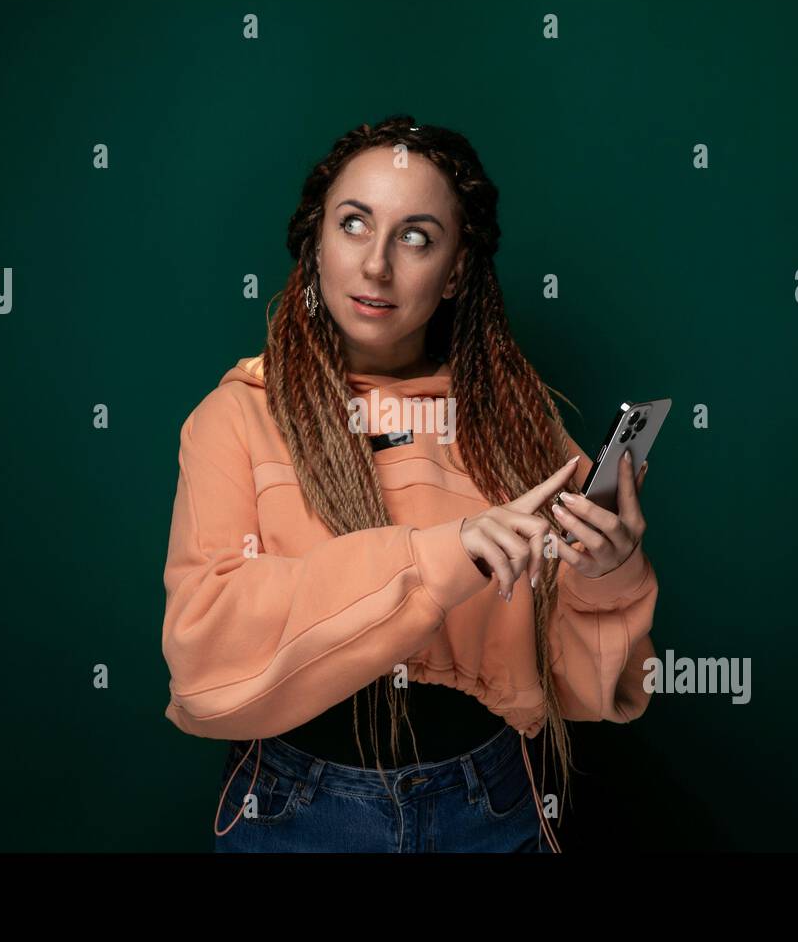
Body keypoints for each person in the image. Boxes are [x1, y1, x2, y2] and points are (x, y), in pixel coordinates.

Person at [160, 115, 658, 852]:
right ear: (316, 241)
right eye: (354, 224)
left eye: (417, 237)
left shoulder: (516, 426)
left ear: (456, 269)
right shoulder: (237, 417)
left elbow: (581, 689)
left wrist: (609, 575)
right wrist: (439, 556)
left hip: (493, 803)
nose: (377, 266)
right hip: (300, 810)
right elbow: (205, 652)